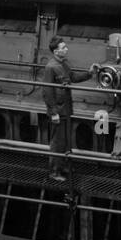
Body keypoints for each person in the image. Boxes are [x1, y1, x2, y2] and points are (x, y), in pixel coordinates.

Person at [40, 36, 98, 181]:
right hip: (58, 111)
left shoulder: (64, 64)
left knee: (65, 141)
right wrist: (53, 112)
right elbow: (47, 91)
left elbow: (73, 77)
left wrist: (90, 73)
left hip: (66, 109)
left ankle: (63, 165)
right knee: (57, 142)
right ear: (55, 51)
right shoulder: (51, 67)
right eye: (63, 47)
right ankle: (54, 172)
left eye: (65, 47)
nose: (66, 49)